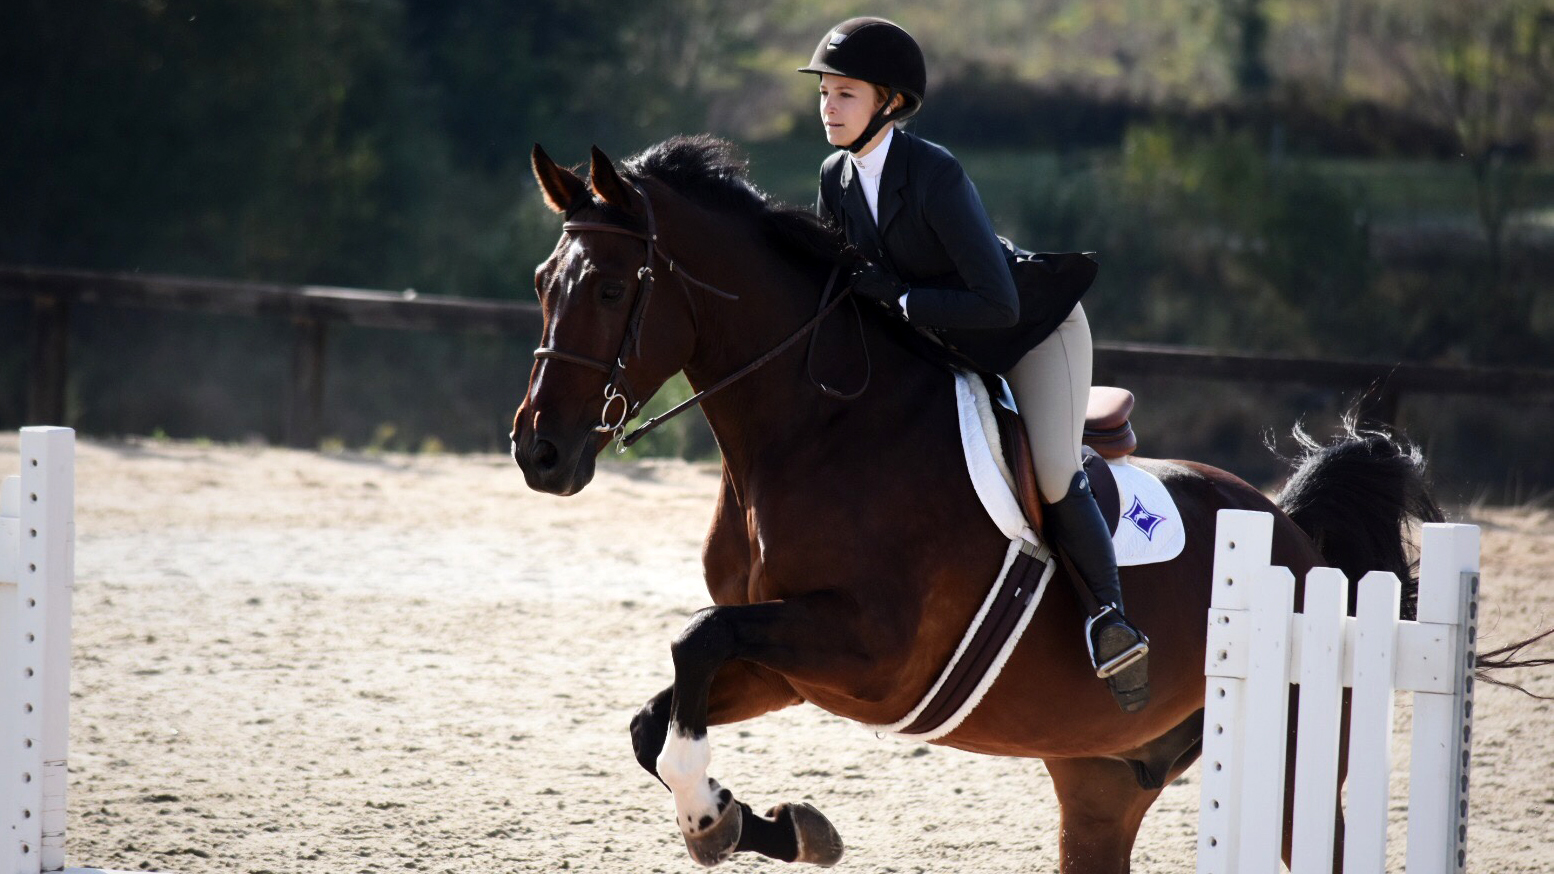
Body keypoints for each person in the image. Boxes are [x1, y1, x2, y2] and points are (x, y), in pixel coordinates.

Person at [800, 16, 1150, 712]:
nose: (828, 108)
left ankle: (1112, 623)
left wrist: (900, 298)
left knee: (1054, 471)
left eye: (845, 94)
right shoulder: (834, 177)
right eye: (825, 94)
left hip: (1028, 332)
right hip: (943, 341)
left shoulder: (934, 173)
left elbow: (995, 302)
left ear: (889, 103)